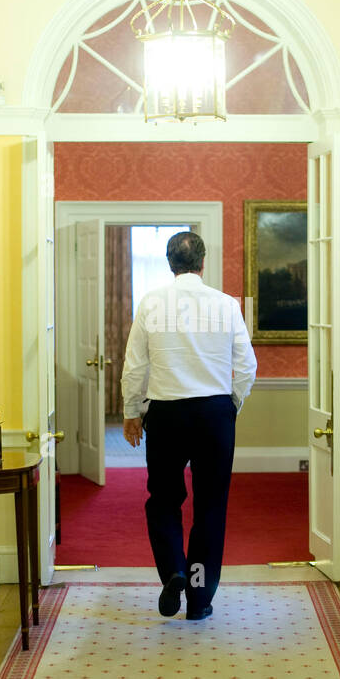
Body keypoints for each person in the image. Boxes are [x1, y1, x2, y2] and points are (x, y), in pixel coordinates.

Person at [121, 231, 257, 621]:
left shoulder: (151, 303)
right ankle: (199, 600)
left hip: (166, 414)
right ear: (203, 261)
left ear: (169, 263)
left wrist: (132, 412)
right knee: (210, 509)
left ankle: (175, 570)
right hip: (214, 414)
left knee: (163, 500)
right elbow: (246, 366)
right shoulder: (225, 305)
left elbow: (135, 366)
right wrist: (232, 404)